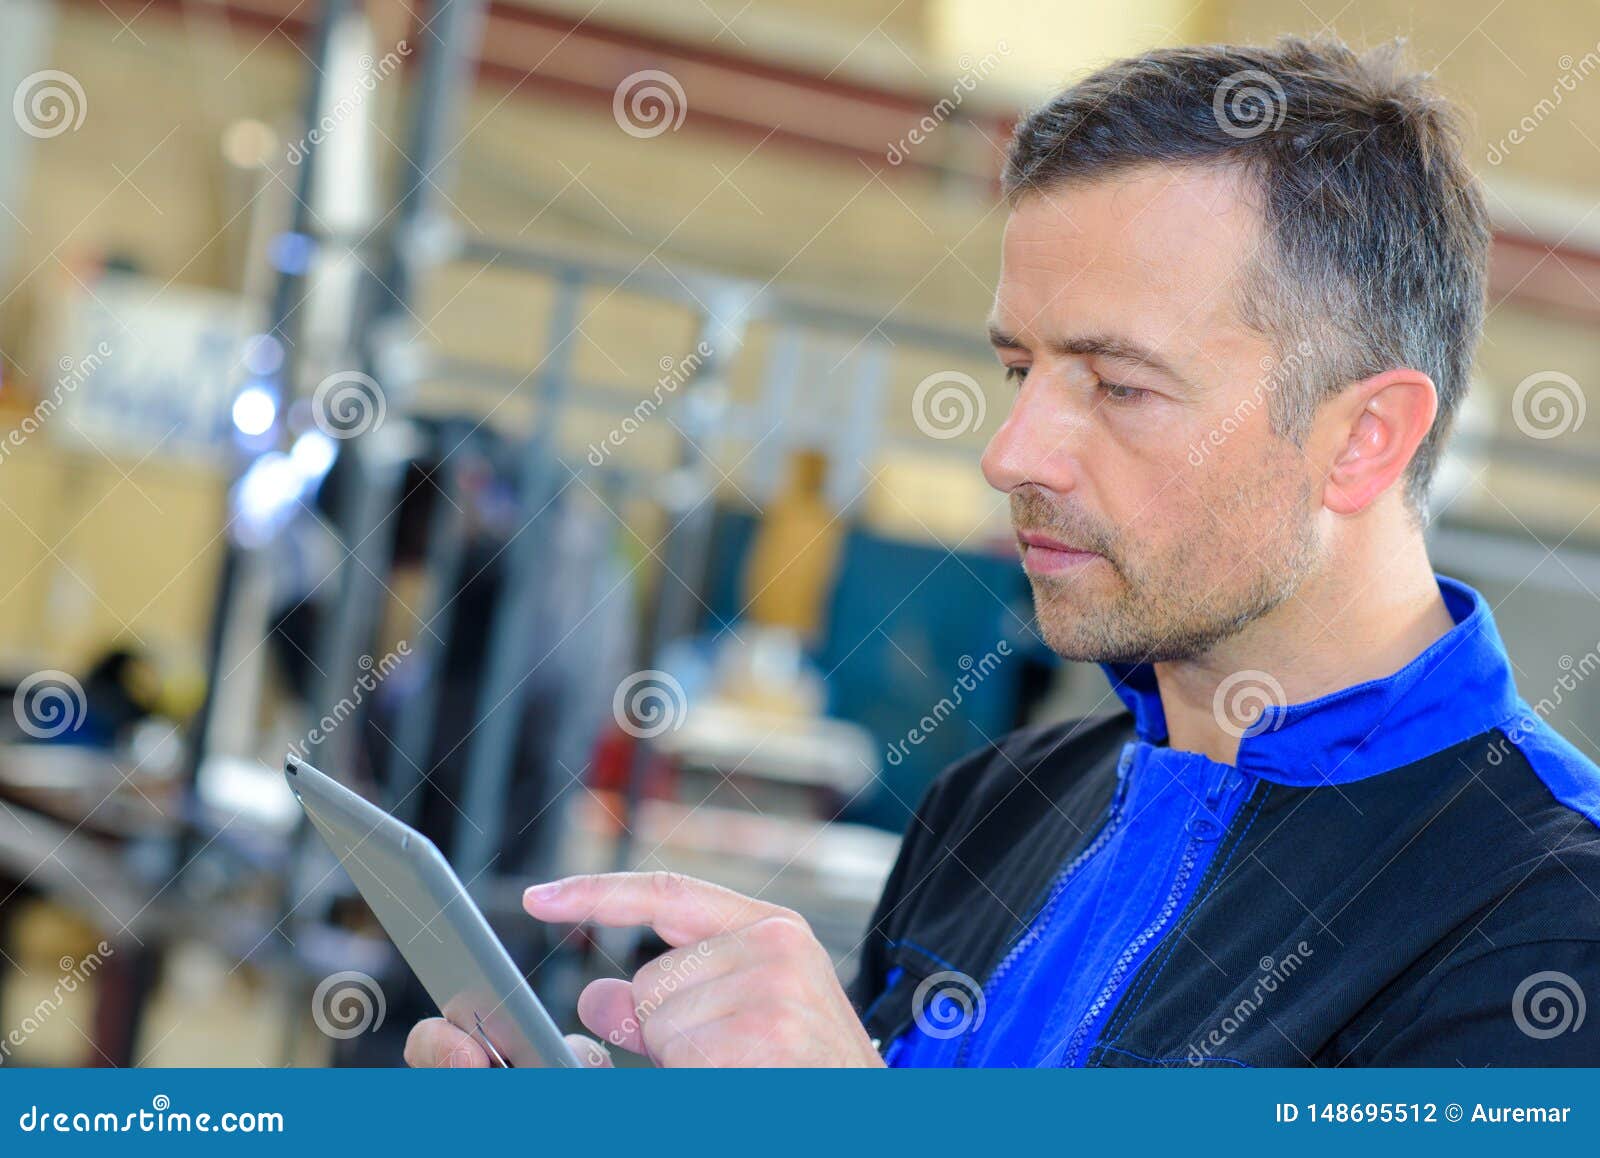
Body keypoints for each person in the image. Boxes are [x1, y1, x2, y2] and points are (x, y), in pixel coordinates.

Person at [407, 36, 1600, 1068]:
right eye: (1019, 371)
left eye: (1119, 386)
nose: (1012, 452)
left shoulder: (1541, 922)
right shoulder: (996, 805)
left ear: (1363, 438)